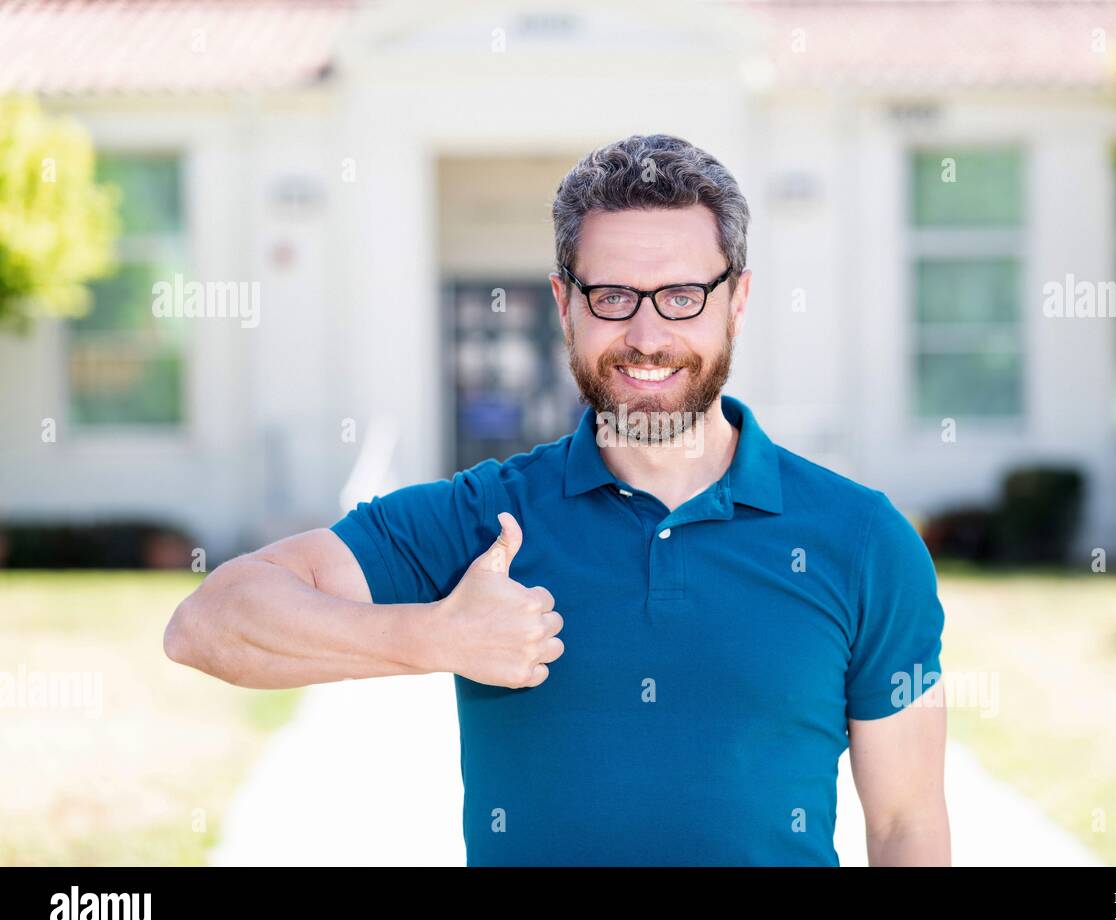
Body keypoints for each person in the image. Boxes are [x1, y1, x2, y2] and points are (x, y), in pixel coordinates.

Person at [164, 133, 949, 866]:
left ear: (737, 300)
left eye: (682, 295)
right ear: (564, 302)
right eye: (611, 296)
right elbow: (207, 626)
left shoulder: (863, 539)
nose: (646, 333)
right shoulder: (484, 518)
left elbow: (905, 822)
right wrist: (437, 637)